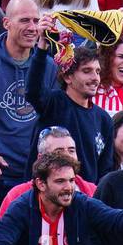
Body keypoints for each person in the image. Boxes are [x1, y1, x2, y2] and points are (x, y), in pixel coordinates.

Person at [24, 35, 114, 184]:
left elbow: (105, 171)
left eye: (97, 71)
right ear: (67, 77)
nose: (95, 78)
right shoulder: (53, 103)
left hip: (84, 201)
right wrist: (41, 48)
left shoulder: (104, 120)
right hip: (45, 197)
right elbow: (33, 91)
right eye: (87, 71)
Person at [0, 0, 56, 207]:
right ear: (6, 23)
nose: (33, 28)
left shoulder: (47, 66)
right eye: (24, 21)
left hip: (35, 173)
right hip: (1, 173)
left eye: (36, 21)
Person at [0, 126, 96, 216]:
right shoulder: (16, 195)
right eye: (59, 151)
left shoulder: (93, 192)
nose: (68, 156)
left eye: (71, 150)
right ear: (41, 158)